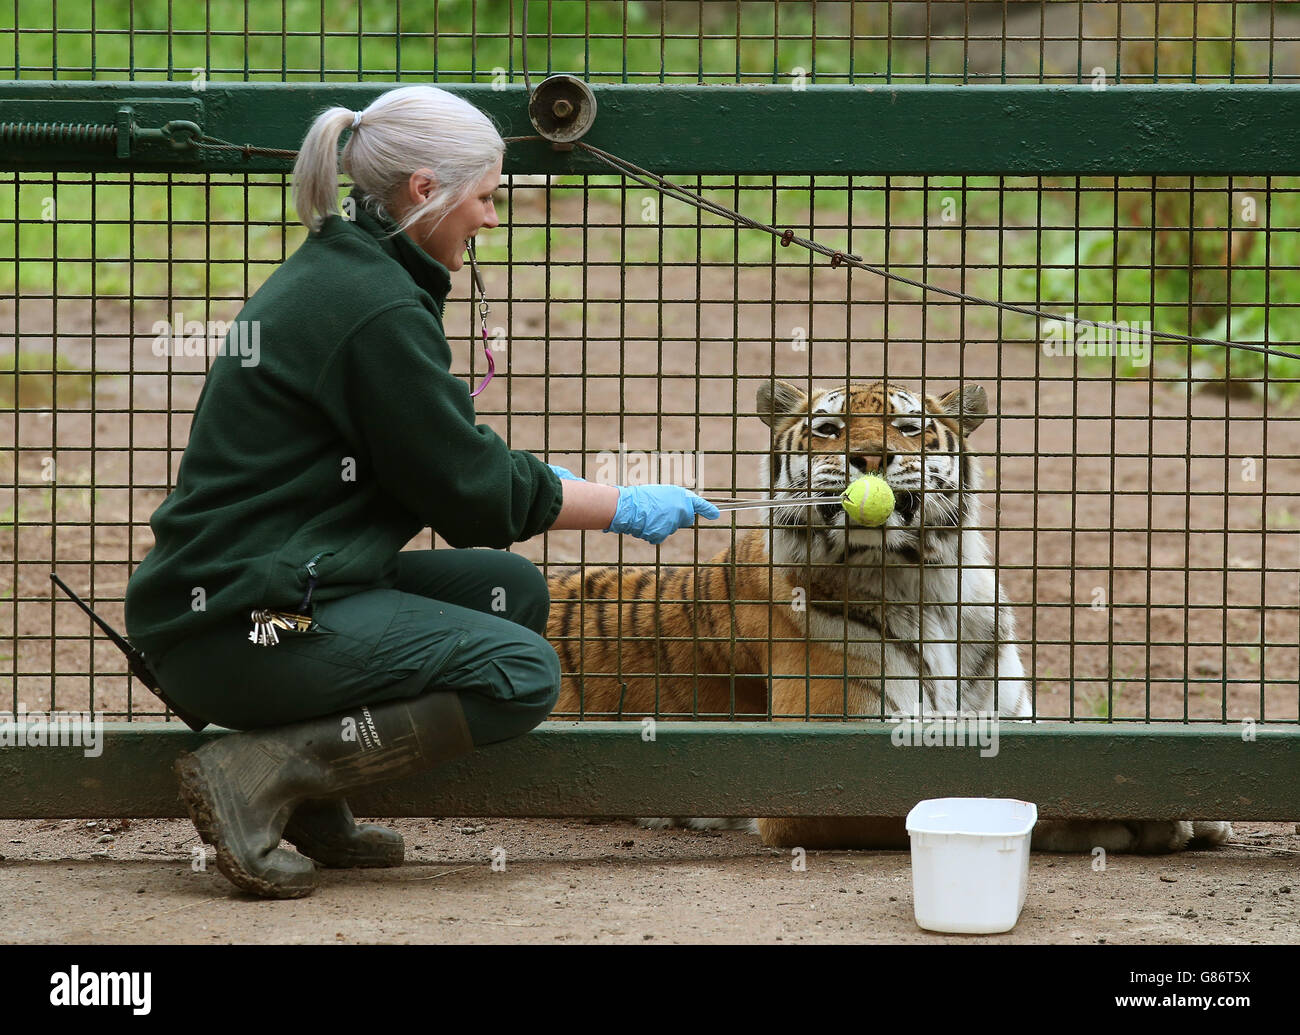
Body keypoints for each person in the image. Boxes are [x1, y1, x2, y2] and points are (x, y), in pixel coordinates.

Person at [123, 84, 720, 899]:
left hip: (272, 595)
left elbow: (447, 460)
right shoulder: (371, 306)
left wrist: (565, 484)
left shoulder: (354, 271)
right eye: (485, 197)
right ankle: (263, 773)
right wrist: (619, 504)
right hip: (247, 623)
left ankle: (309, 797)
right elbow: (472, 492)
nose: (491, 217)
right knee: (520, 672)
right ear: (423, 189)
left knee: (506, 592)